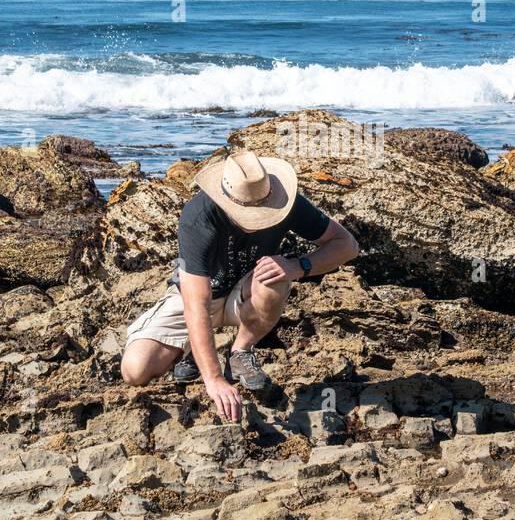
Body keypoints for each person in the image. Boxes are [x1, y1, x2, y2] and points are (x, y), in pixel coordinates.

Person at [120, 149, 359, 422]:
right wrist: (214, 380)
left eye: (262, 212)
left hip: (247, 293)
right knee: (135, 370)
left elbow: (347, 245)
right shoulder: (199, 216)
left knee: (275, 276)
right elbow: (195, 304)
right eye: (248, 213)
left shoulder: (285, 203)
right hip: (199, 297)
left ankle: (241, 351)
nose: (256, 220)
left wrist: (298, 266)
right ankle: (190, 352)